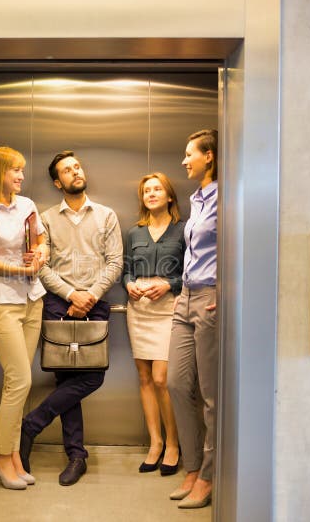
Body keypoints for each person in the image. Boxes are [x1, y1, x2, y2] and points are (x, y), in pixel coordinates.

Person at [19, 150, 123, 486]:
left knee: (92, 377)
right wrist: (70, 296)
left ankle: (30, 425)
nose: (75, 172)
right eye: (67, 170)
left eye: (77, 166)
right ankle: (76, 455)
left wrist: (89, 295)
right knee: (66, 382)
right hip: (58, 306)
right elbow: (43, 266)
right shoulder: (46, 219)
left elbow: (115, 264)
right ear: (57, 181)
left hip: (96, 304)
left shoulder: (106, 216)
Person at [0, 146, 48, 490]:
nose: (20, 175)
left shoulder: (27, 205)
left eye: (22, 170)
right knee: (20, 381)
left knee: (18, 381)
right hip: (3, 303)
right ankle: (0, 455)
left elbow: (43, 242)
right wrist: (20, 268)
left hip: (34, 300)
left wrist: (41, 257)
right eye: (15, 170)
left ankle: (13, 456)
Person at [167, 129, 219, 508]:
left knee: (211, 395)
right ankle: (193, 464)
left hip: (211, 297)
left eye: (190, 154)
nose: (185, 161)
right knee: (175, 384)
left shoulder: (226, 196)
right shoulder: (197, 198)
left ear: (210, 156)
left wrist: (225, 290)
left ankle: (209, 475)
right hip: (185, 297)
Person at [123, 172, 186, 476]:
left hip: (169, 309)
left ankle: (174, 444)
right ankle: (155, 443)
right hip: (139, 310)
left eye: (157, 189)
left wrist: (169, 283)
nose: (151, 194)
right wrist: (129, 284)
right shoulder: (134, 232)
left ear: (169, 196)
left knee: (162, 378)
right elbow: (126, 268)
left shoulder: (183, 231)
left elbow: (190, 271)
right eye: (146, 190)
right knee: (145, 377)